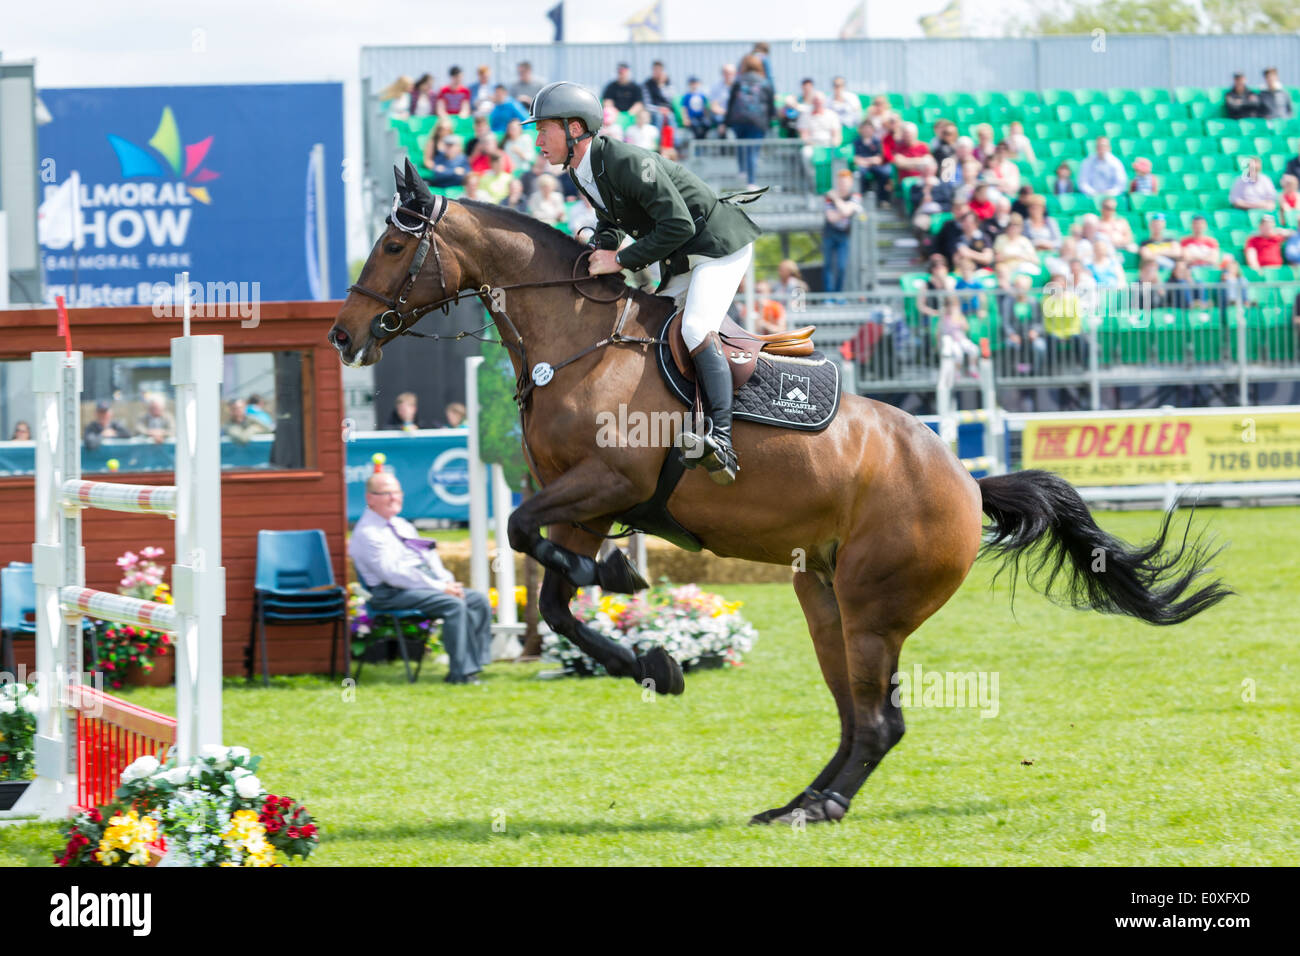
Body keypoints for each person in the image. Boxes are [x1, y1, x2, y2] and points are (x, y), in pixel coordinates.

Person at [526, 80, 762, 484]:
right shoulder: (582, 171)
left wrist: (618, 259)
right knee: (648, 328)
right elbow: (610, 220)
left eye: (543, 130)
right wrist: (598, 249)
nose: (538, 141)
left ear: (575, 129)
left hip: (718, 245)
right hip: (684, 256)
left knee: (693, 327)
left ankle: (721, 439)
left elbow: (678, 224)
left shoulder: (625, 161)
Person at [350, 472, 493, 685]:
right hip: (388, 593)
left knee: (477, 600)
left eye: (397, 492)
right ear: (370, 498)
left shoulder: (402, 525)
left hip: (417, 587)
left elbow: (428, 557)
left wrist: (447, 582)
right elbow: (393, 575)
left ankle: (475, 665)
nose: (394, 498)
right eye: (386, 493)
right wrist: (440, 588)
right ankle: (460, 674)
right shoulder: (368, 533)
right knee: (452, 604)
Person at [722, 54, 774, 189]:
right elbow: (770, 104)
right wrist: (770, 121)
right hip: (757, 121)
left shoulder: (738, 81)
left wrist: (726, 122)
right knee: (753, 151)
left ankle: (742, 172)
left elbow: (731, 102)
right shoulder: (765, 82)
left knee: (741, 146)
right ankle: (751, 182)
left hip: (739, 120)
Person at [823, 171, 861, 295]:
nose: (843, 185)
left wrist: (837, 199)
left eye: (845, 182)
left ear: (850, 183)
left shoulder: (854, 195)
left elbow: (846, 212)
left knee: (841, 266)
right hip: (829, 234)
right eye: (840, 182)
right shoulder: (829, 197)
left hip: (843, 235)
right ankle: (829, 296)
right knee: (828, 265)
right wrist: (844, 209)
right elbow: (831, 218)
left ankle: (839, 294)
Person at [853, 119, 891, 202]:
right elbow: (855, 158)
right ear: (861, 130)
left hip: (875, 165)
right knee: (860, 173)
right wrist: (867, 161)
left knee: (885, 172)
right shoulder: (856, 142)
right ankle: (861, 196)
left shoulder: (877, 141)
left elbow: (879, 158)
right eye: (865, 128)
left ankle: (883, 199)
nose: (867, 130)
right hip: (862, 165)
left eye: (869, 128)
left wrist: (867, 161)